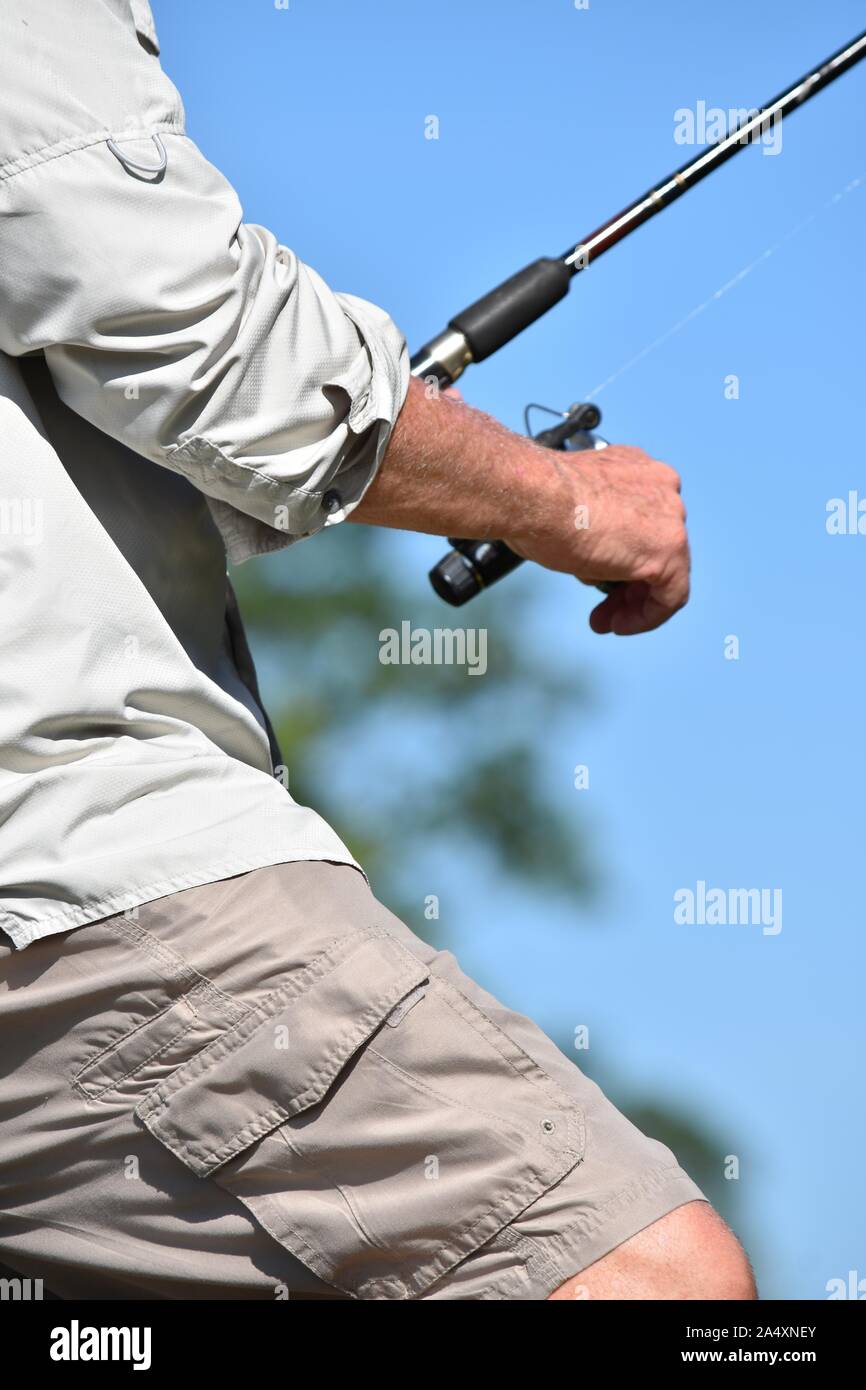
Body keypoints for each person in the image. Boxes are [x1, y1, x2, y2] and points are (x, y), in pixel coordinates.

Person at [0, 0, 754, 1301]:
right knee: (640, 1278)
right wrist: (560, 498)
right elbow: (186, 328)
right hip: (69, 859)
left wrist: (347, 447)